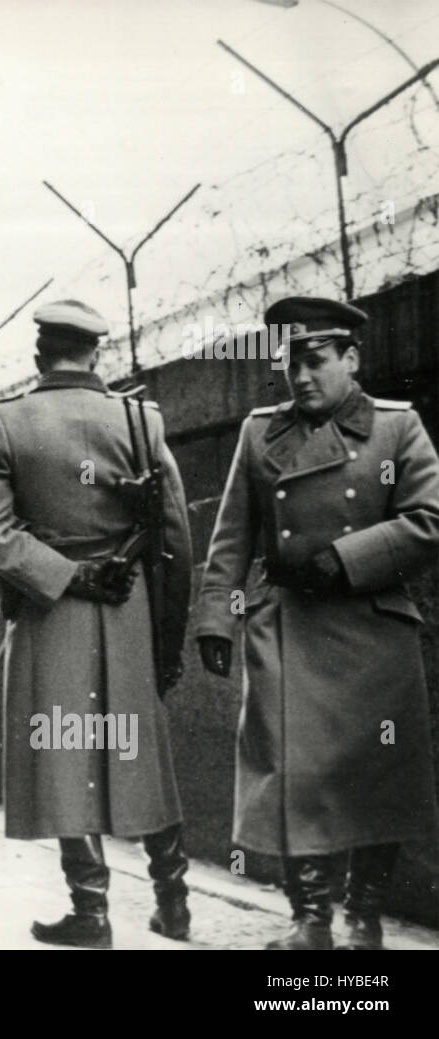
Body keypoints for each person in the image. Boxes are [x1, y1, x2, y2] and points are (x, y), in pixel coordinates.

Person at [196, 296, 439, 950]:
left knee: (372, 774)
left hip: (371, 623)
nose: (301, 376)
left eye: (315, 360)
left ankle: (363, 915)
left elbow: (429, 519)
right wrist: (215, 616)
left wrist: (345, 558)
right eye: (290, 363)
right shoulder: (259, 433)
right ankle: (310, 919)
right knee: (291, 771)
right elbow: (230, 539)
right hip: (286, 626)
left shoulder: (396, 428)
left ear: (350, 359)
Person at [0, 300, 194, 949]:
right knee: (142, 752)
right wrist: (167, 637)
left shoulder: (7, 423)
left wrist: (63, 574)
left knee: (65, 753)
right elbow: (175, 536)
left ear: (40, 355)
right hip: (133, 605)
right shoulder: (142, 419)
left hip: (52, 605)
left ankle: (91, 913)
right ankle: (173, 902)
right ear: (96, 353)